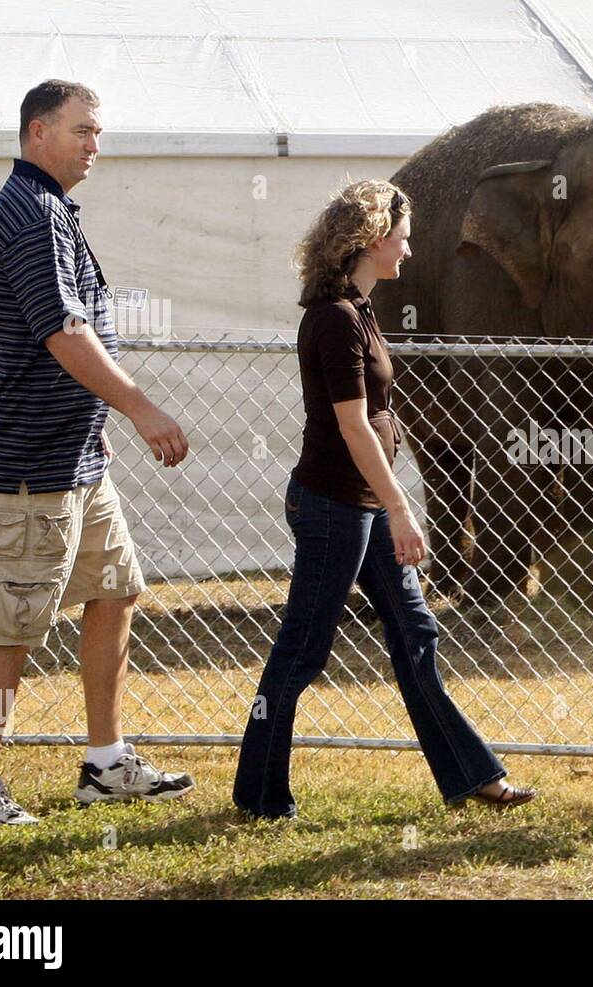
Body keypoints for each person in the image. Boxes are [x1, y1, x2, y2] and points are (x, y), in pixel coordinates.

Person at [232, 179, 534, 818]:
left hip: (364, 506)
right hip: (334, 507)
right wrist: (400, 507)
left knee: (415, 634)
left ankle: (471, 776)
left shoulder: (360, 309)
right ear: (371, 239)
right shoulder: (337, 320)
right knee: (305, 648)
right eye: (402, 237)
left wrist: (387, 504)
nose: (409, 250)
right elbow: (353, 425)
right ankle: (258, 793)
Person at [0, 80, 194, 826]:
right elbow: (62, 332)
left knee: (116, 590)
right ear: (36, 132)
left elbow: (59, 337)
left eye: (98, 131)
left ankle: (107, 763)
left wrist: (94, 420)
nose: (95, 144)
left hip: (75, 459)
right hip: (28, 467)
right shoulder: (29, 214)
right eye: (82, 130)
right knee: (10, 628)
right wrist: (138, 405)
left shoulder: (50, 209)